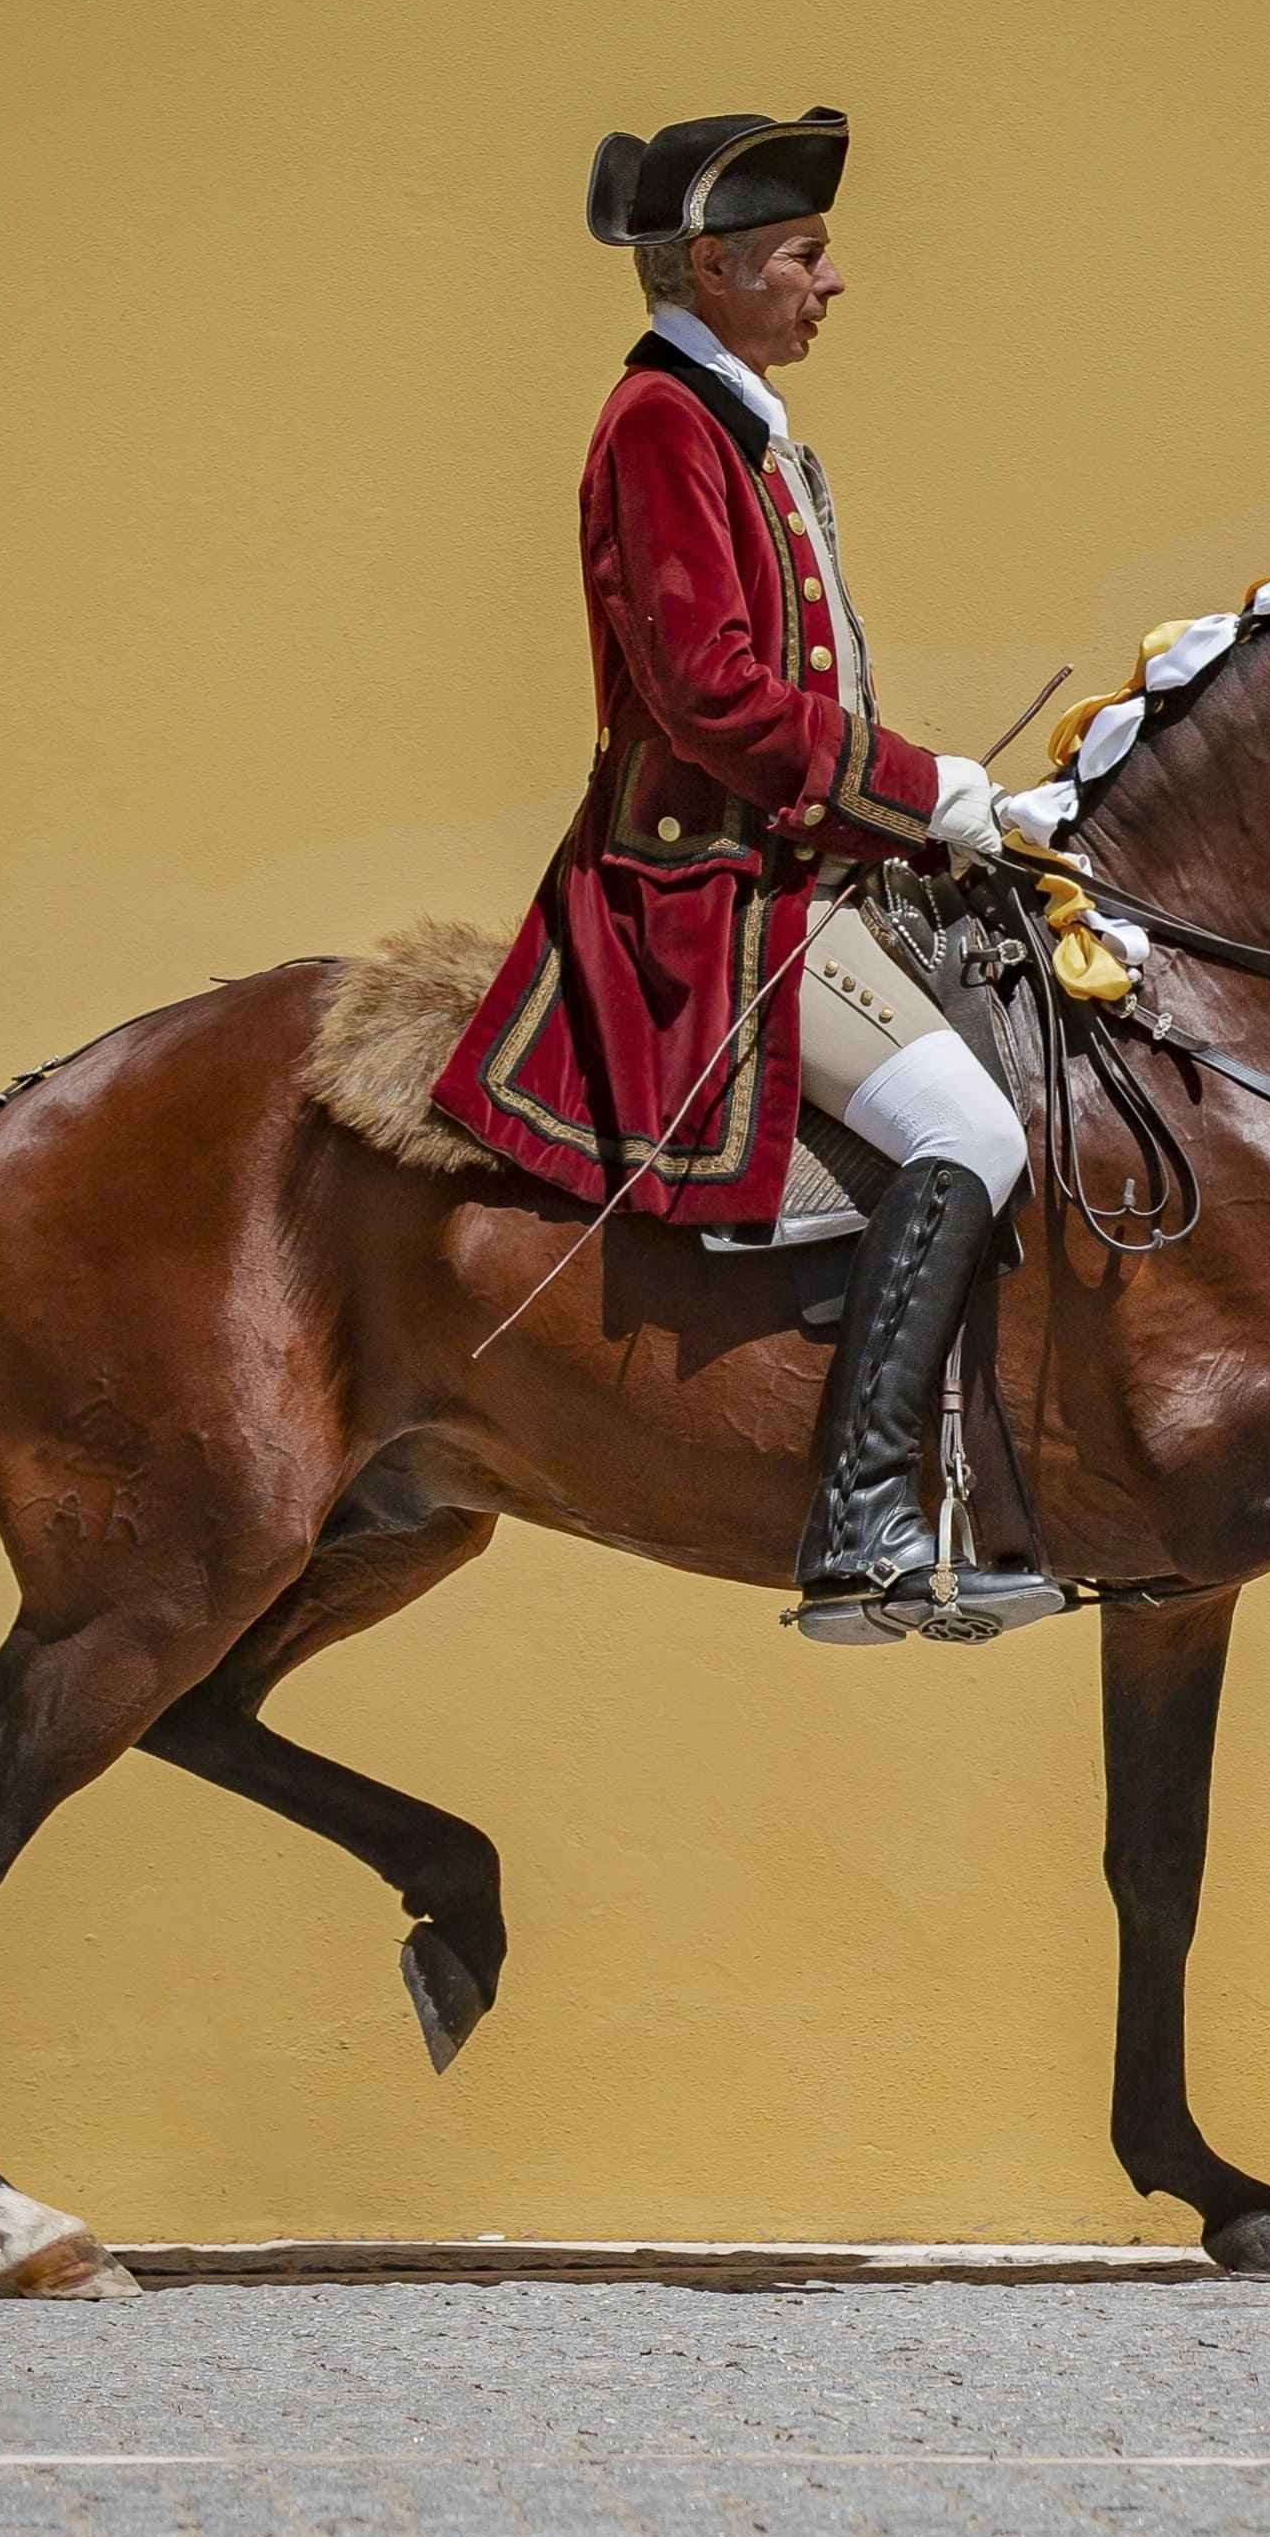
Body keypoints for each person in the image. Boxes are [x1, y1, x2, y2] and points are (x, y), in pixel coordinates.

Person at [431, 107, 1064, 1644]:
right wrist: (935, 792)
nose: (830, 282)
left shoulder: (736, 419)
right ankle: (861, 1535)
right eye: (803, 254)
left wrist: (932, 822)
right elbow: (713, 697)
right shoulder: (663, 424)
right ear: (710, 266)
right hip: (707, 897)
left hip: (802, 865)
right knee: (968, 1128)